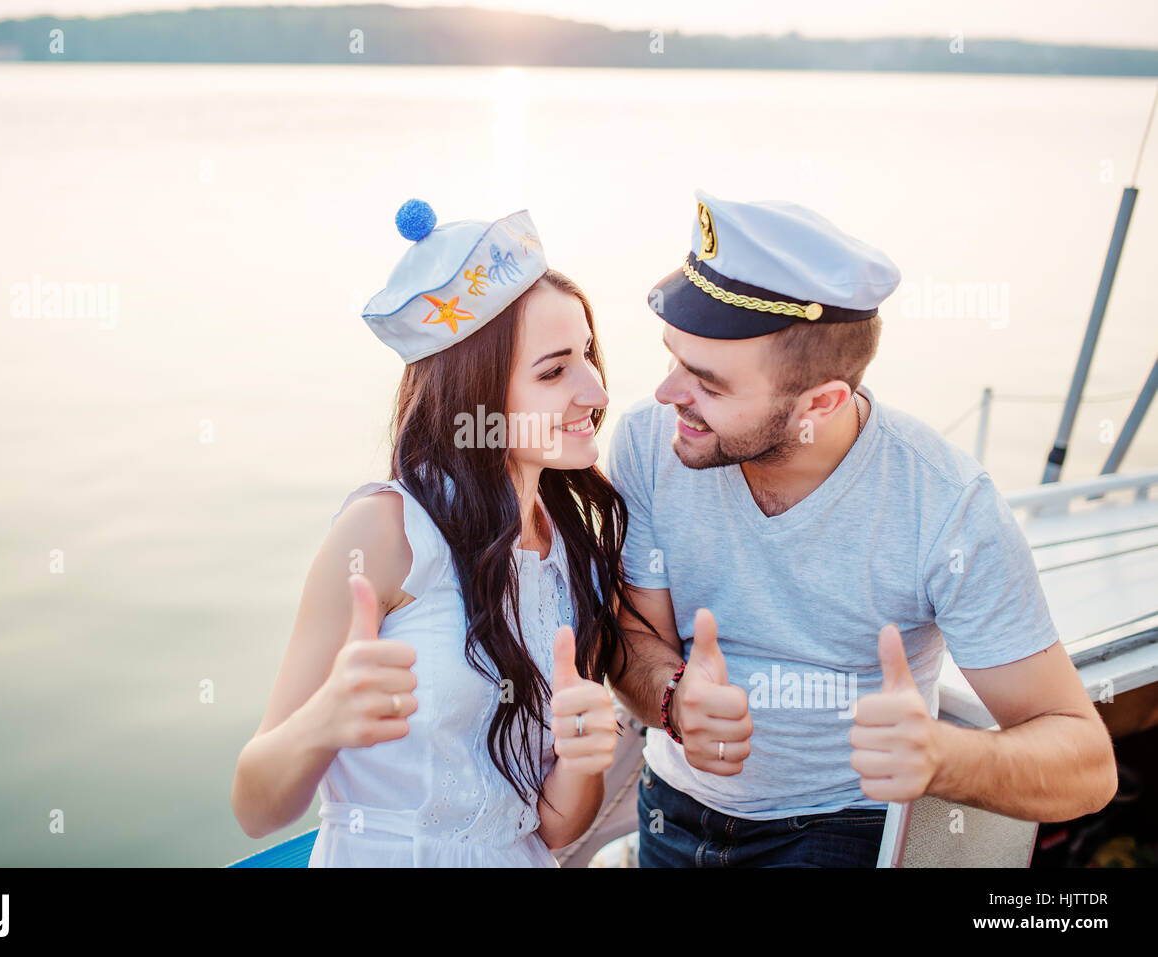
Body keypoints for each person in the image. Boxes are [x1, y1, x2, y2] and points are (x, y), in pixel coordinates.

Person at [608, 189, 1117, 868]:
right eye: (672, 358)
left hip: (840, 831)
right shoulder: (649, 439)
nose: (668, 392)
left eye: (708, 381)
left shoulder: (945, 505)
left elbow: (1085, 764)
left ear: (821, 402)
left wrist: (942, 756)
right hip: (668, 810)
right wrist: (670, 697)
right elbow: (630, 635)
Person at [231, 199, 643, 866]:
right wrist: (325, 717)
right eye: (554, 370)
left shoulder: (576, 549)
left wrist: (581, 753)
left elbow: (559, 830)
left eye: (588, 356)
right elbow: (256, 807)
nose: (595, 390)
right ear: (474, 398)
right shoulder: (386, 534)